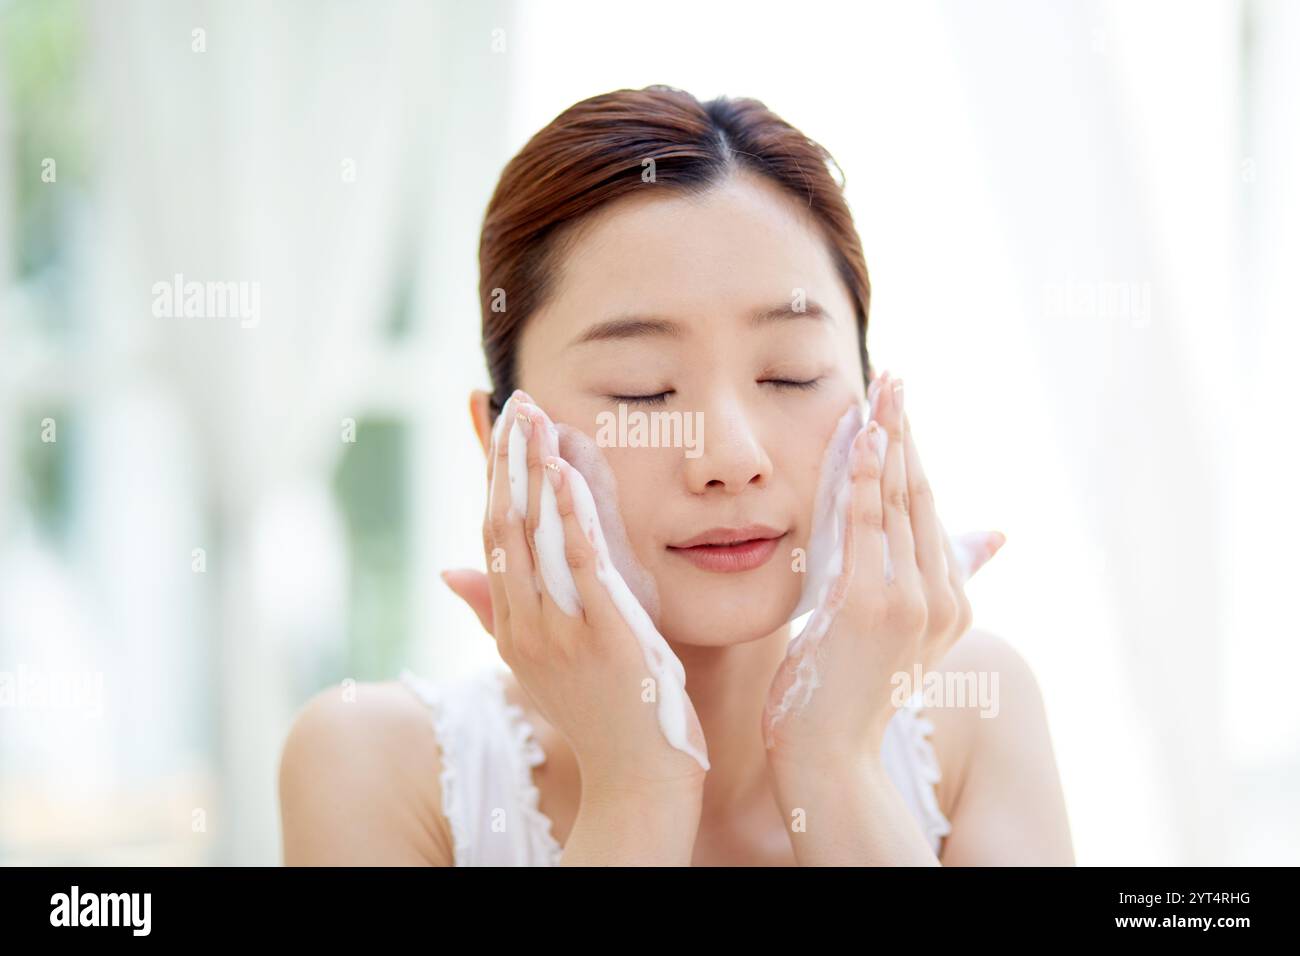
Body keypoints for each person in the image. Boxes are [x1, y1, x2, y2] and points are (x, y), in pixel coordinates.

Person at [279, 85, 1074, 866]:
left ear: (874, 410)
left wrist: (835, 768)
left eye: (791, 375)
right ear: (497, 442)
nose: (729, 457)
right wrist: (638, 787)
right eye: (642, 388)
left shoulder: (976, 713)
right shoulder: (377, 766)